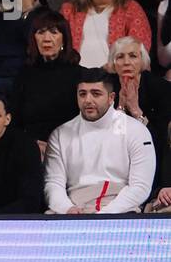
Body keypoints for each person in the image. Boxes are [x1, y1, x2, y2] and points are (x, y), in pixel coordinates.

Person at [44, 69, 155, 213]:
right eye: (82, 94)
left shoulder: (136, 130)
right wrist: (67, 209)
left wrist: (103, 216)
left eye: (96, 94)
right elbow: (53, 183)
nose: (88, 100)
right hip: (72, 213)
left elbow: (140, 186)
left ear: (111, 98)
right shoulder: (60, 135)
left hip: (120, 212)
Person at [106, 37, 171, 208]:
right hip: (113, 162)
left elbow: (160, 140)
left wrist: (136, 111)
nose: (126, 62)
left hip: (152, 161)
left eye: (133, 56)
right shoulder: (105, 87)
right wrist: (120, 107)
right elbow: (106, 138)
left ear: (143, 60)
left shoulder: (162, 90)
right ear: (113, 62)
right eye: (120, 57)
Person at [11, 9, 85, 155]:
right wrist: (31, 143)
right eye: (41, 32)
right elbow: (14, 121)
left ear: (64, 39)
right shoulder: (24, 74)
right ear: (34, 39)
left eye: (53, 32)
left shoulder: (79, 75)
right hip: (33, 148)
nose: (46, 38)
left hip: (70, 147)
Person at [60, 0, 151, 68]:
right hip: (73, 77)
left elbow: (140, 52)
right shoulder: (69, 10)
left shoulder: (131, 9)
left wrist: (112, 69)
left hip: (116, 78)